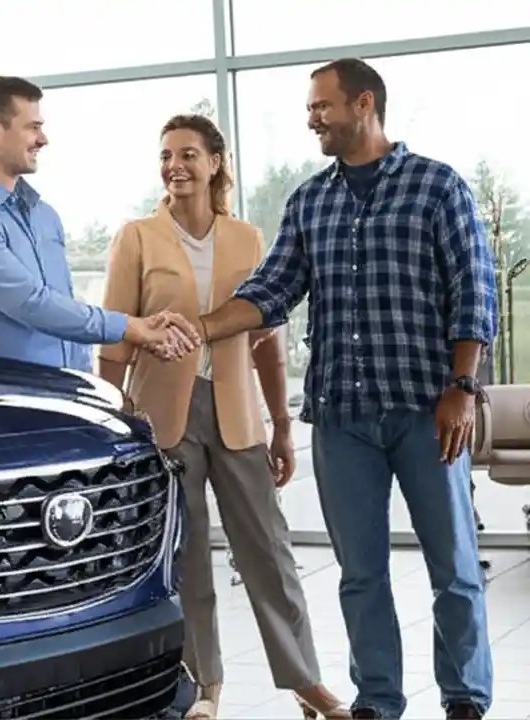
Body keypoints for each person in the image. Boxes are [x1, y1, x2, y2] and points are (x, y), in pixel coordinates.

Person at [196, 58, 497, 719]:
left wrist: (462, 384)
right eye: (310, 108)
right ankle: (378, 699)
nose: (313, 119)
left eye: (321, 106)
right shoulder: (310, 201)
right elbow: (272, 288)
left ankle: (465, 697)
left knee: (453, 565)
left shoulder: (436, 186)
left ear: (364, 104)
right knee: (361, 573)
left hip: (426, 408)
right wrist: (202, 327)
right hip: (342, 416)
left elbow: (474, 289)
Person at [97, 112, 348, 720]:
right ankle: (203, 686)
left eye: (187, 154)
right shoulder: (136, 237)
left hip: (237, 414)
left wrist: (281, 424)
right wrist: (112, 424)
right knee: (185, 557)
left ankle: (306, 682)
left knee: (269, 551)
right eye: (166, 156)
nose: (174, 166)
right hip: (160, 418)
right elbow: (115, 341)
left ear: (214, 163)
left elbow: (266, 341)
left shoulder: (248, 240)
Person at [0, 75, 200, 372]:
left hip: (63, 389)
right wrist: (131, 327)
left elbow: (63, 308)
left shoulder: (44, 215)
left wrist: (87, 381)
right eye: (33, 127)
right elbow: (31, 304)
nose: (43, 139)